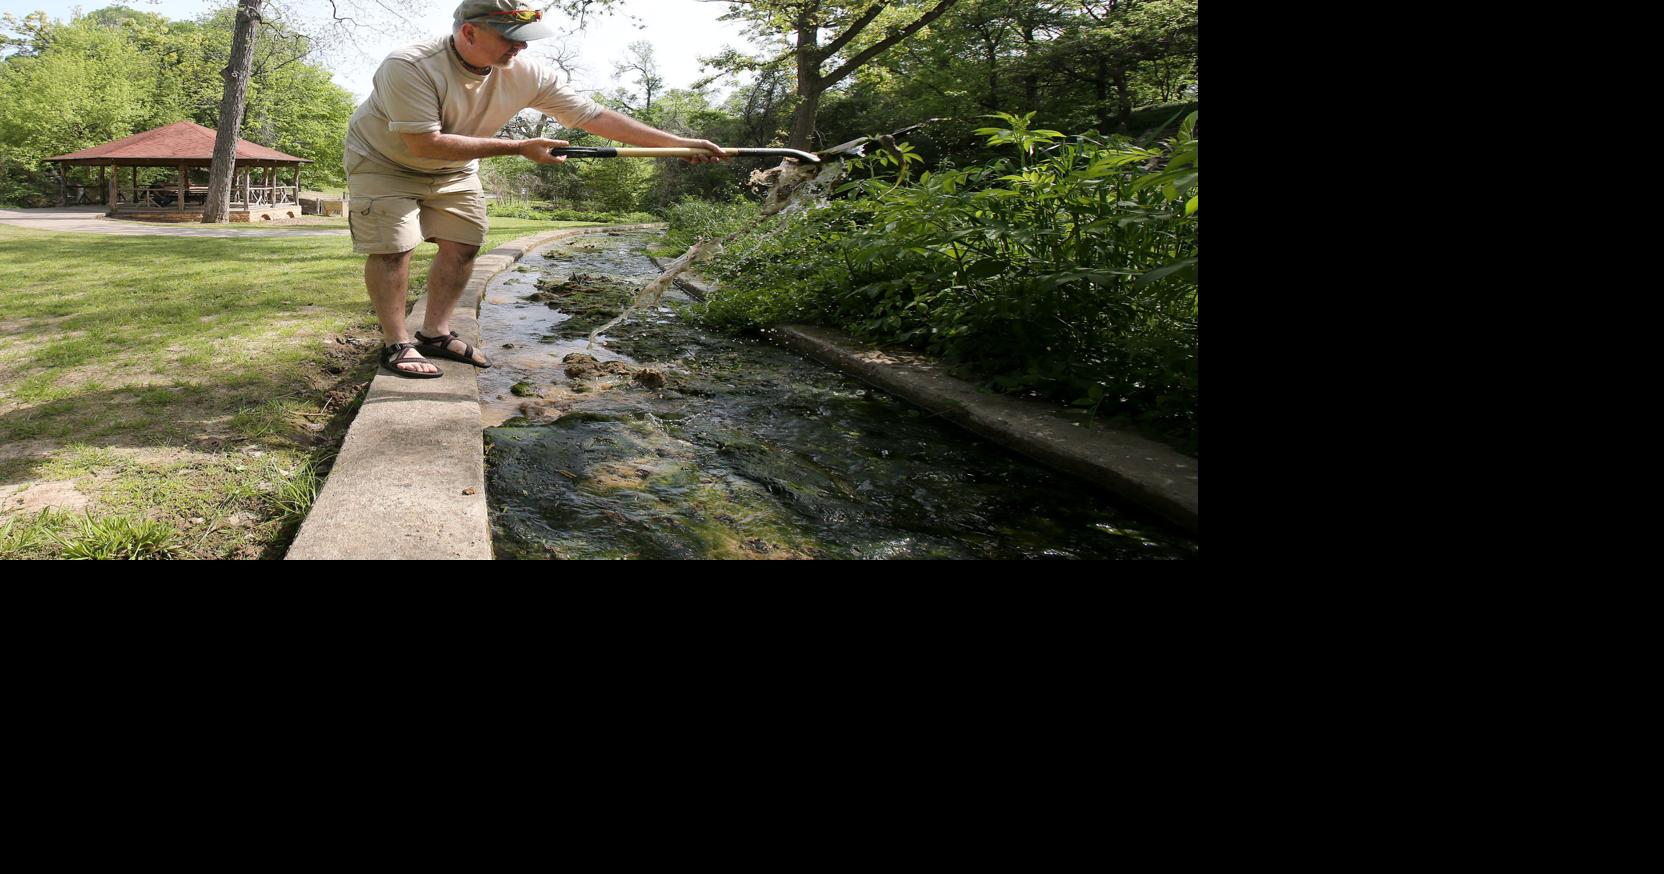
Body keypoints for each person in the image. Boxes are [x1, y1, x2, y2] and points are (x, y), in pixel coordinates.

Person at [344, 0, 728, 377]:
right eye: (511, 36)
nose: (522, 45)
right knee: (394, 248)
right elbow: (425, 143)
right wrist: (519, 148)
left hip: (456, 168)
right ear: (469, 31)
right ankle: (397, 342)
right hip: (385, 162)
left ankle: (435, 334)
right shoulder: (410, 65)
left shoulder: (526, 73)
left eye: (525, 37)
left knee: (463, 245)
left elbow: (590, 115)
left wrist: (675, 143)